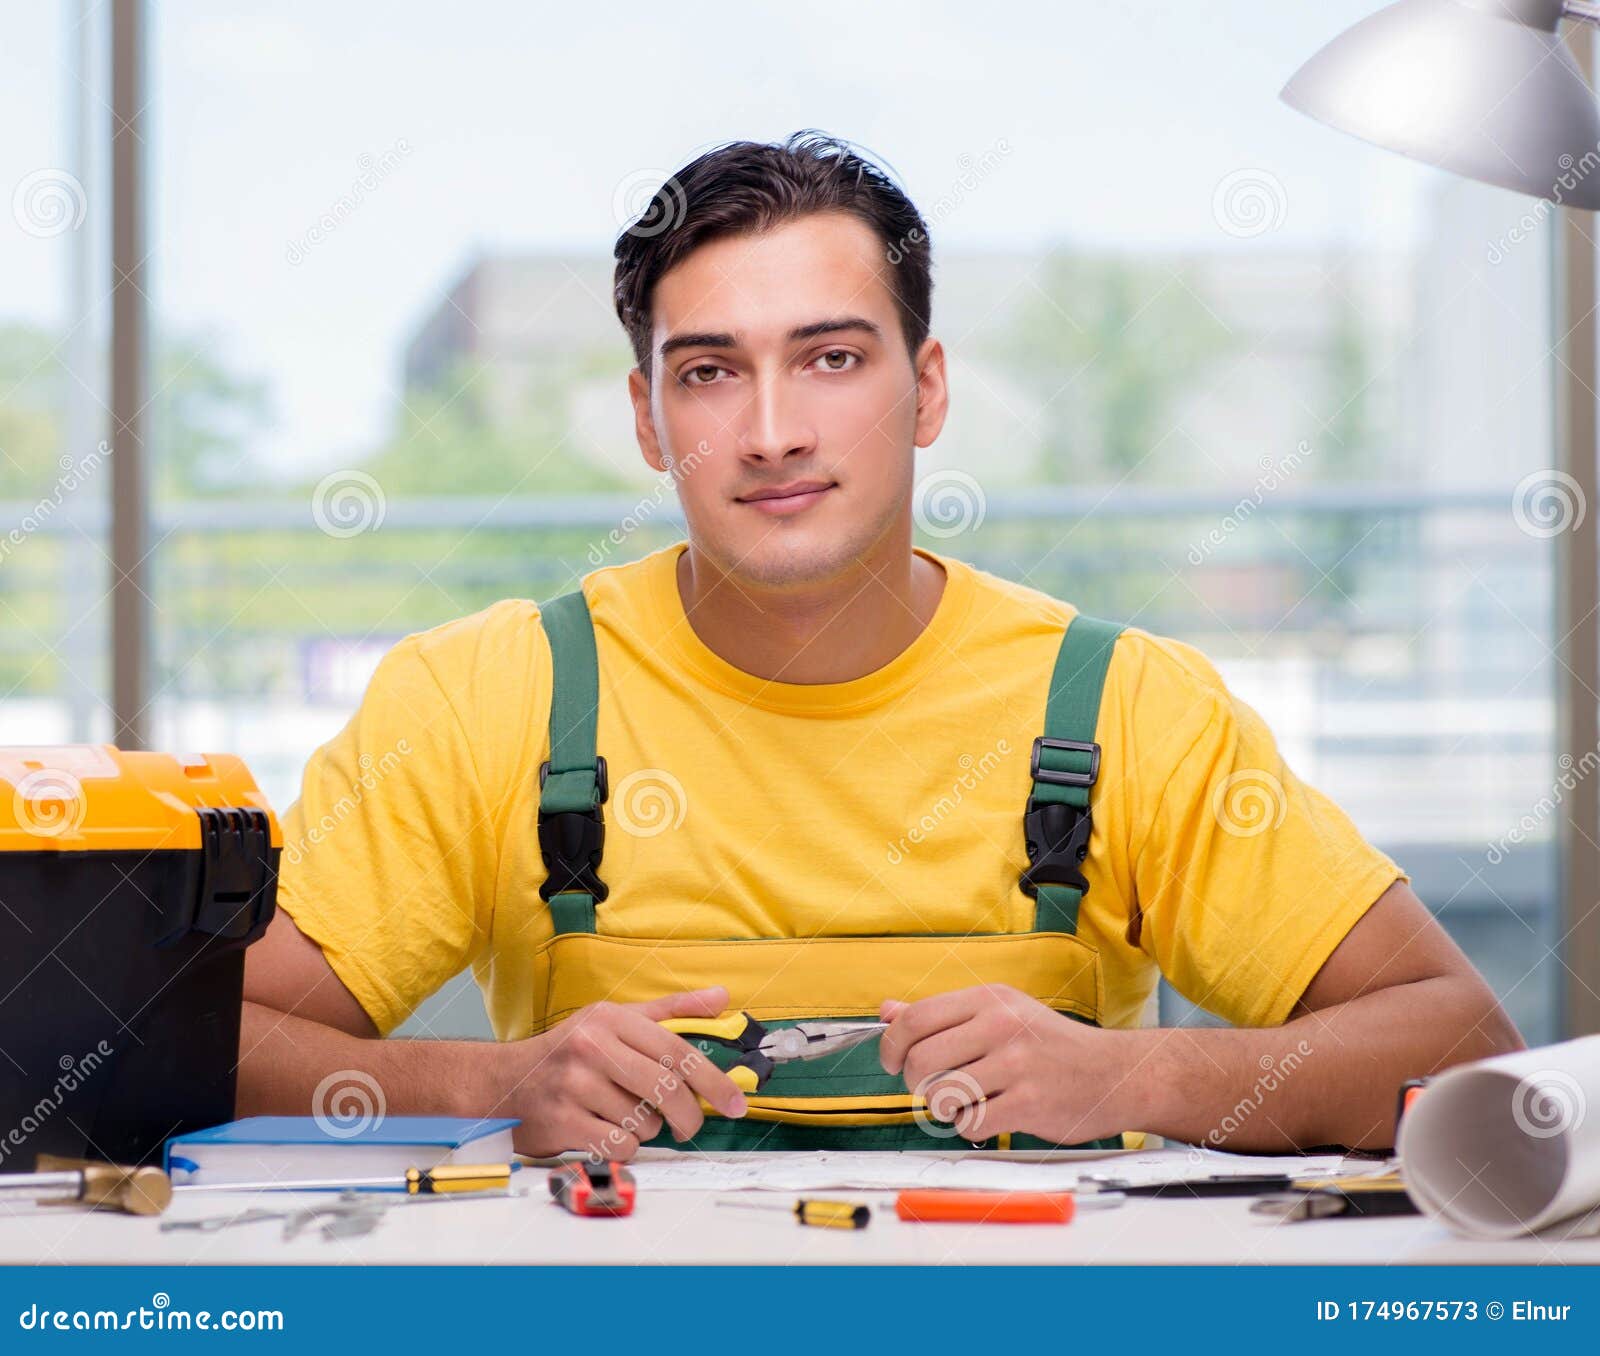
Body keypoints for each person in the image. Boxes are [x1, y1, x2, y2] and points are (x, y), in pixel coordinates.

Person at [241, 131, 1521, 1158]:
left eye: (832, 357)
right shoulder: (488, 697)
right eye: (708, 373)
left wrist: (1131, 1072)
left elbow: (1458, 1046)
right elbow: (196, 1041)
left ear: (930, 387)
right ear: (646, 419)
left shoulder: (1125, 708)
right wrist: (497, 1084)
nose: (773, 430)